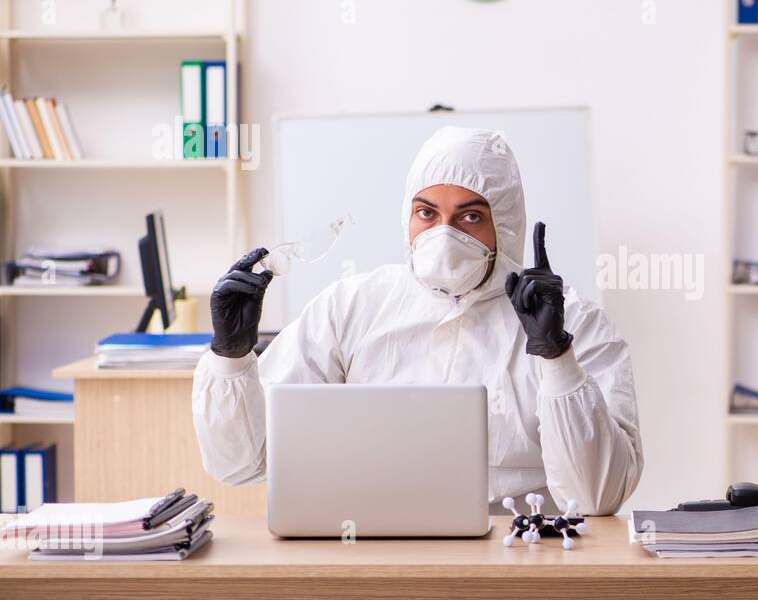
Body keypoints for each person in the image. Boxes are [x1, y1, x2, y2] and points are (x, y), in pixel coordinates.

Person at [192, 126, 643, 516]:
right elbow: (242, 465)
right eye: (427, 213)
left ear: (504, 227)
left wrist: (556, 356)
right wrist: (231, 358)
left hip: (523, 557)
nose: (443, 235)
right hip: (371, 551)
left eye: (469, 216)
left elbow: (595, 498)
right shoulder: (352, 306)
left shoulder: (573, 322)